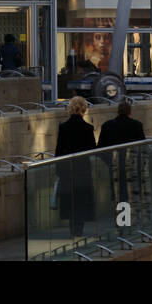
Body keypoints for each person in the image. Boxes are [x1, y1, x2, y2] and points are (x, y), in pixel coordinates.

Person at [98, 99, 149, 223]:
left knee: (118, 193)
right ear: (130, 112)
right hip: (132, 165)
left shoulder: (107, 125)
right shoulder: (136, 125)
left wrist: (109, 161)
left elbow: (100, 149)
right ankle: (129, 221)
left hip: (115, 164)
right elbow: (143, 147)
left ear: (117, 111)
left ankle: (122, 221)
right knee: (131, 192)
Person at [54, 95, 96, 237]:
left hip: (67, 170)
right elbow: (92, 148)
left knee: (70, 201)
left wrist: (58, 170)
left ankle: (72, 230)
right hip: (83, 169)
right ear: (84, 109)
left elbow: (59, 150)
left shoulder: (63, 127)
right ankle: (79, 230)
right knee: (81, 200)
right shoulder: (88, 128)